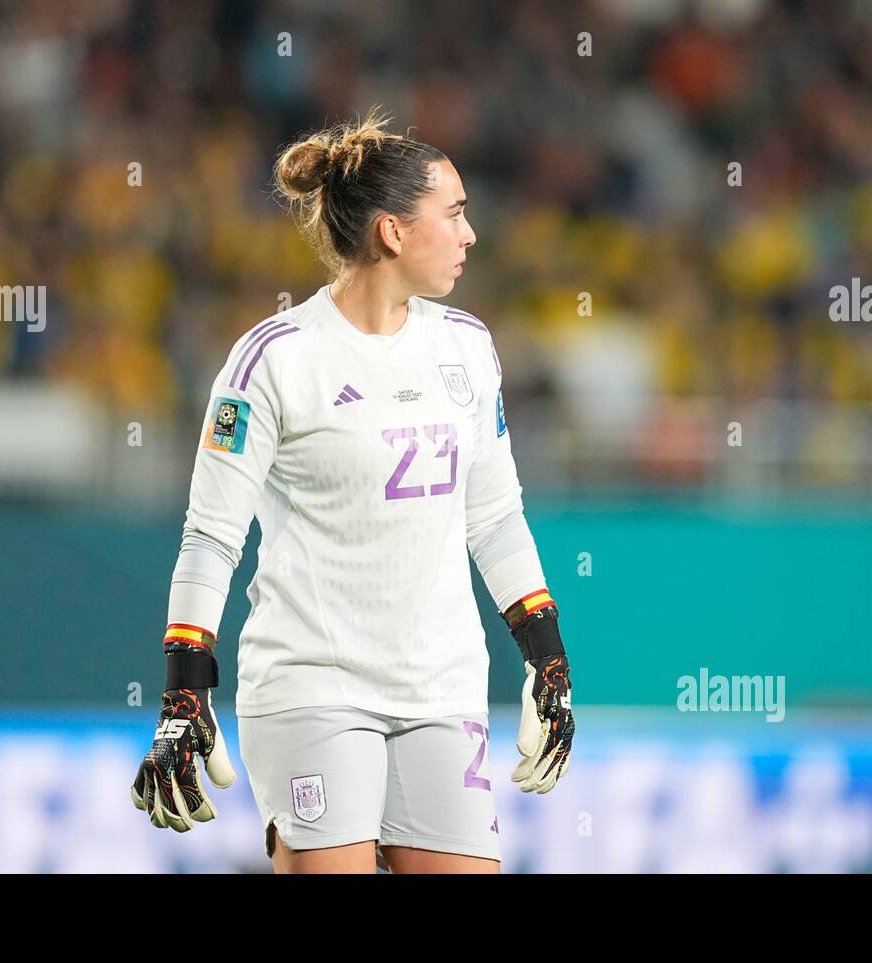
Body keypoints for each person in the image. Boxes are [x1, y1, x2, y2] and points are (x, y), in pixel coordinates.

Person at [131, 107, 575, 874]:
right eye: (456, 214)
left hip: (444, 688)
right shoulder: (271, 359)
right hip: (312, 687)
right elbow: (210, 537)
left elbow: (496, 517)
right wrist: (183, 688)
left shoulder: (468, 347)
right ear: (394, 232)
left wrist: (549, 658)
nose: (471, 235)